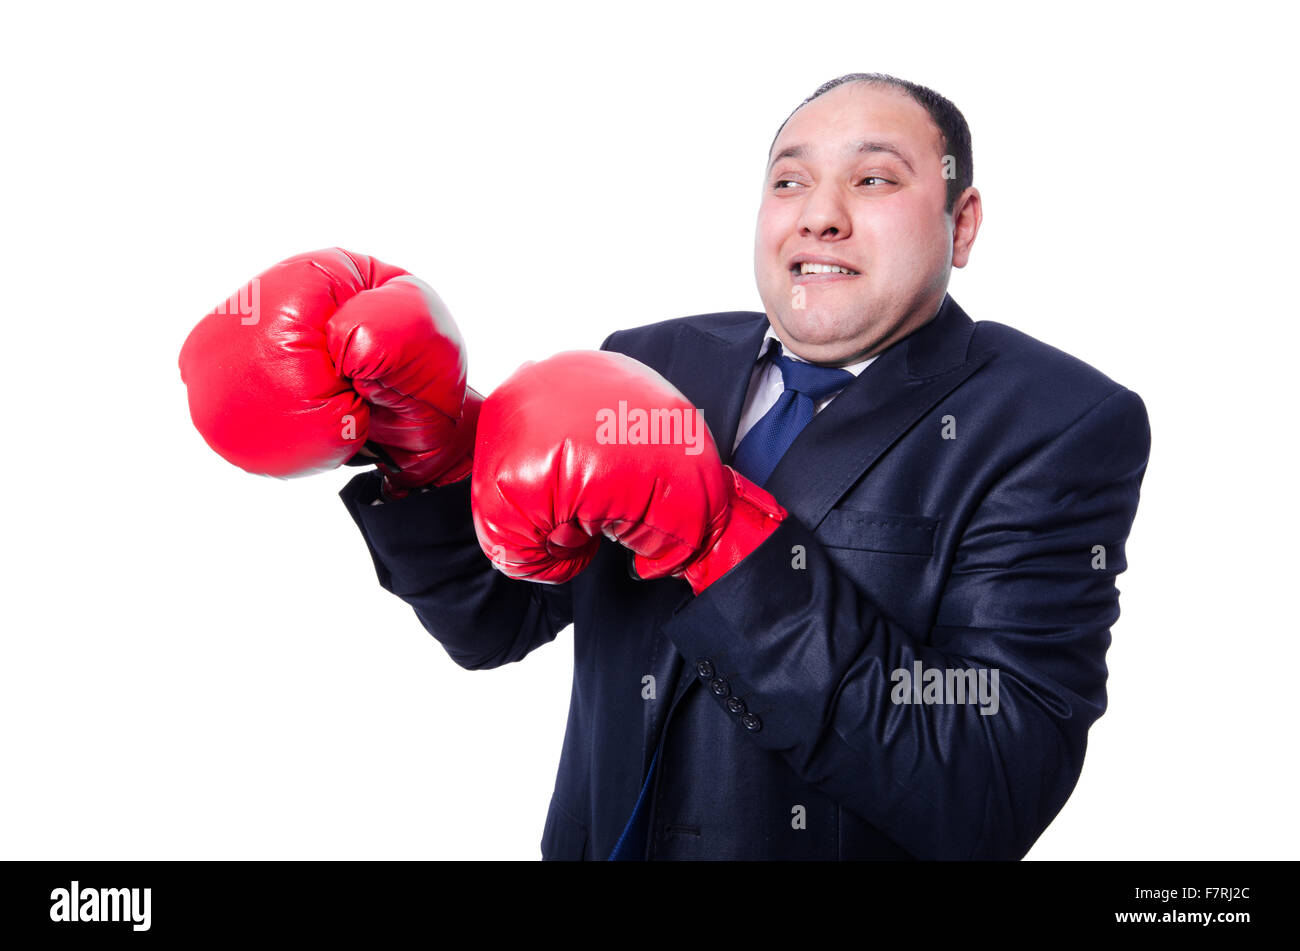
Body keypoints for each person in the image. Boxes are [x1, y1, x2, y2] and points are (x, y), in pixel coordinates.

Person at [180, 72, 1151, 860]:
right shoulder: (653, 361)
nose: (818, 216)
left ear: (962, 222)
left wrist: (724, 537)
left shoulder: (1055, 424)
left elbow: (983, 788)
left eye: (874, 179)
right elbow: (493, 621)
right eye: (787, 180)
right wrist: (427, 458)